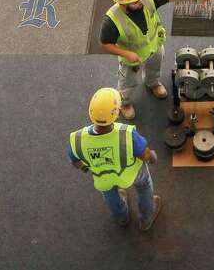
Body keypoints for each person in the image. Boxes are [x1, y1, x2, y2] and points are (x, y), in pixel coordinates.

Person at [100, 0, 214, 120]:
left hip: (155, 47)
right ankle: (124, 104)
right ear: (122, 4)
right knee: (128, 83)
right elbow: (105, 44)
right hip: (132, 59)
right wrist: (126, 54)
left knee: (154, 69)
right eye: (135, 1)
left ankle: (153, 83)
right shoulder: (112, 20)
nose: (140, 1)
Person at [69, 87, 162, 231]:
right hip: (131, 174)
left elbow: (75, 161)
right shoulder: (127, 134)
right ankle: (146, 218)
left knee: (109, 194)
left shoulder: (78, 139)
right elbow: (144, 154)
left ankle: (121, 217)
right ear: (117, 113)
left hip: (103, 177)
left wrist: (86, 168)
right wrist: (152, 157)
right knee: (144, 187)